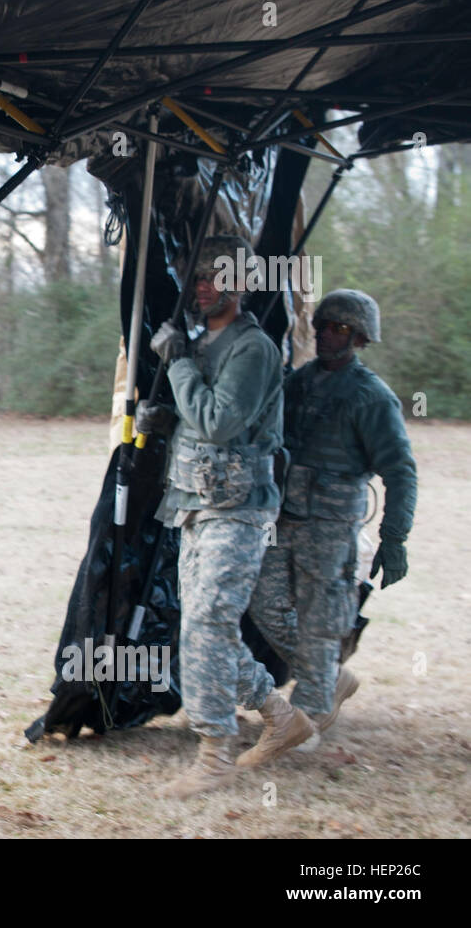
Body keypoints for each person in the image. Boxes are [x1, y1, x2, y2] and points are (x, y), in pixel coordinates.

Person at [144, 235, 314, 799]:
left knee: (206, 623)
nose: (202, 288)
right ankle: (278, 713)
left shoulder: (252, 349)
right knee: (205, 628)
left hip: (239, 511)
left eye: (214, 278)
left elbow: (220, 422)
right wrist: (164, 422)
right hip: (195, 505)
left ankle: (215, 751)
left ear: (239, 283)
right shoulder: (197, 344)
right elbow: (198, 424)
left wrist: (178, 367)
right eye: (195, 279)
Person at [248, 289, 416, 747]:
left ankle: (310, 713)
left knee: (322, 625)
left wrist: (394, 539)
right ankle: (329, 677)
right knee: (263, 603)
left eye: (339, 328)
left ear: (360, 337)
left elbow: (401, 471)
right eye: (322, 325)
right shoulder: (299, 383)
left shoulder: (372, 397)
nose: (326, 335)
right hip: (283, 518)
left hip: (332, 527)